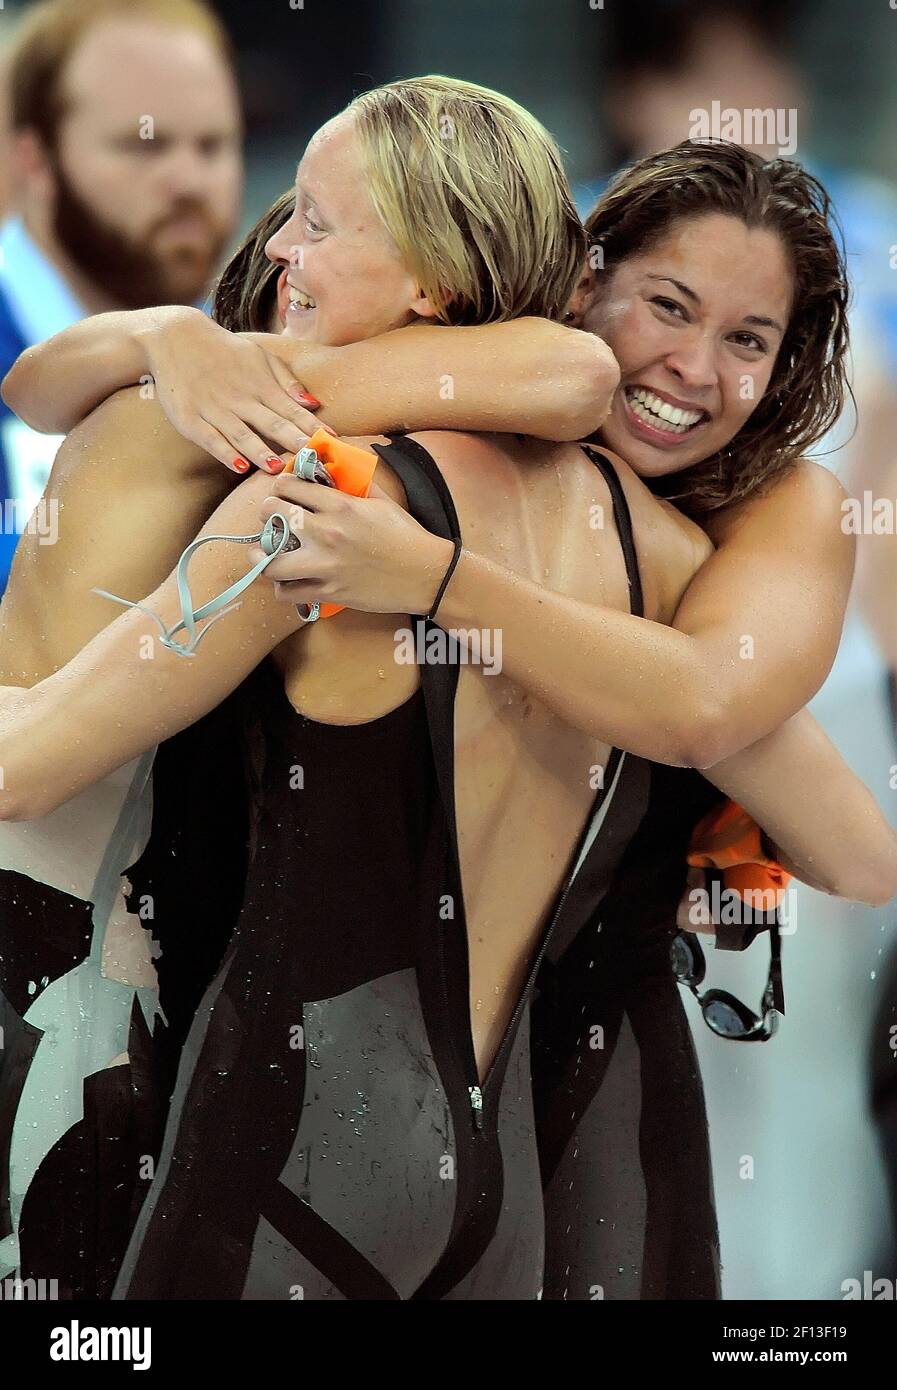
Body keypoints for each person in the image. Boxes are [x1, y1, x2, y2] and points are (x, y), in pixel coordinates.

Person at [4, 132, 896, 1299]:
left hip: (219, 1101)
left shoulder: (324, 496)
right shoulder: (673, 562)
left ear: (432, 278)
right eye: (667, 309)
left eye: (747, 340)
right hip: (524, 1157)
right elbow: (840, 830)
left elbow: (26, 762)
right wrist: (168, 337)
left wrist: (429, 571)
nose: (691, 367)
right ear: (576, 287)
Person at [0, 0, 242, 593]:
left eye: (212, 145)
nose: (188, 180)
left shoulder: (263, 345)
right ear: (37, 158)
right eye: (144, 146)